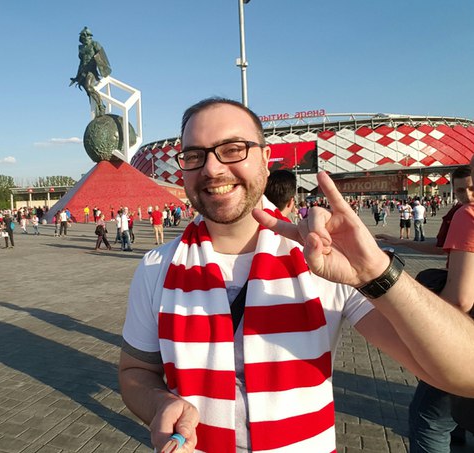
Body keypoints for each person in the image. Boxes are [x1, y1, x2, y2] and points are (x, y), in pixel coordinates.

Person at [118, 98, 474, 453]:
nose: (212, 168)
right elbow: (135, 372)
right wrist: (159, 404)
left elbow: (464, 373)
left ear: (265, 158)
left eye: (232, 149)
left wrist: (375, 273)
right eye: (195, 155)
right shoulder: (156, 267)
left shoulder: (322, 256)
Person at [408, 164, 474, 453]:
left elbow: (461, 299)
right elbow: (440, 247)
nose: (466, 196)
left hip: (465, 332)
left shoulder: (466, 215)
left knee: (428, 419)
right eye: (460, 190)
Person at [69, 27, 111, 117]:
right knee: (88, 92)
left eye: (85, 35)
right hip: (83, 71)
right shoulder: (81, 48)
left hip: (92, 70)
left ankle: (101, 106)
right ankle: (96, 109)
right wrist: (77, 77)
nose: (83, 37)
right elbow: (81, 63)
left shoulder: (94, 44)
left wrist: (104, 69)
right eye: (82, 36)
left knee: (88, 87)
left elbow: (102, 57)